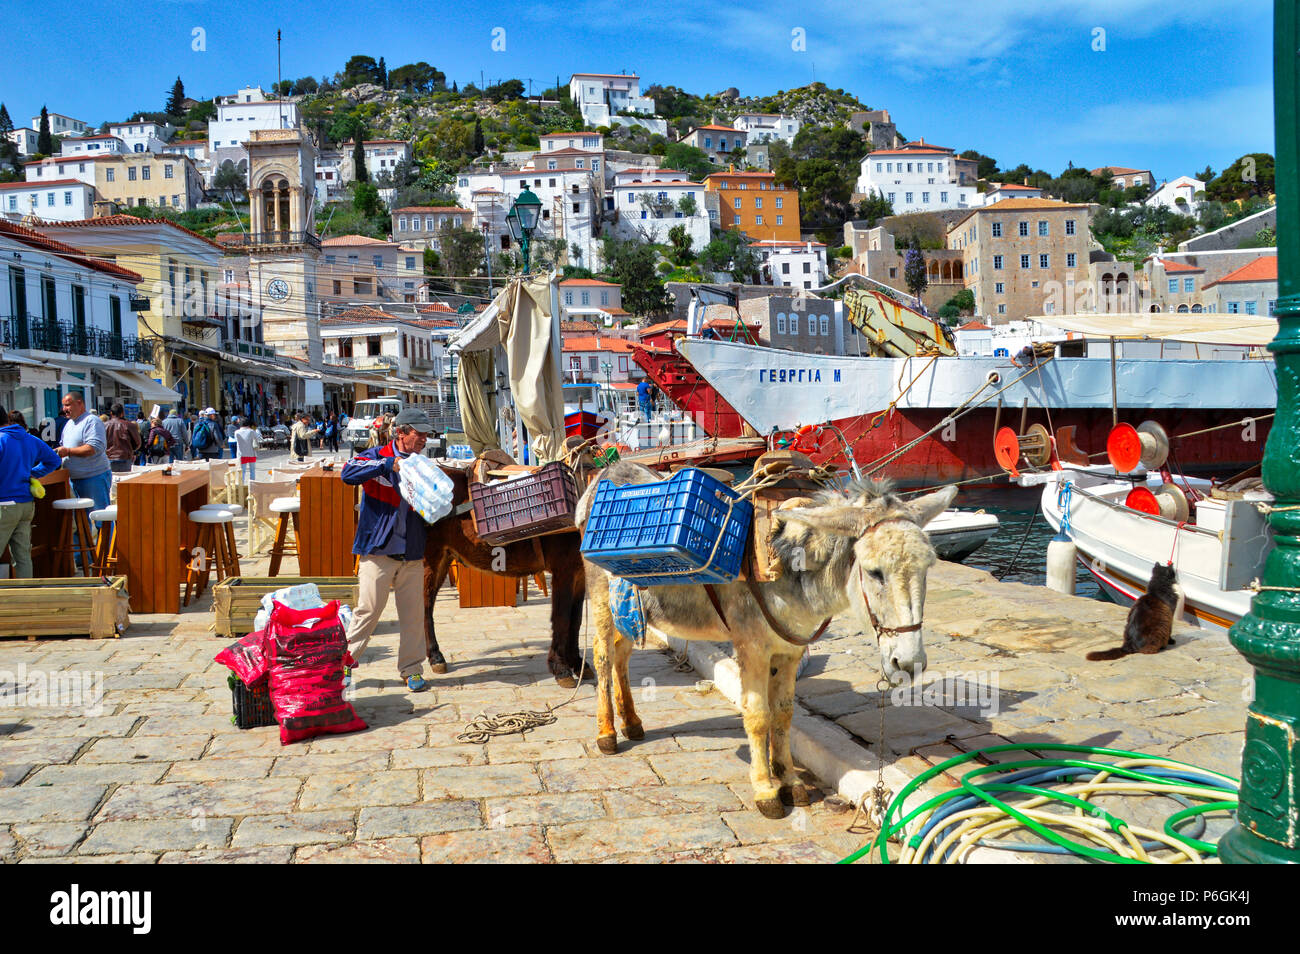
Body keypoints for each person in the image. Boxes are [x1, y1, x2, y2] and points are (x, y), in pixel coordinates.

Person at [341, 408, 437, 693]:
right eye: (419, 434)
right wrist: (386, 465)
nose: (424, 439)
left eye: (426, 434)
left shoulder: (423, 463)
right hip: (378, 549)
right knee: (368, 611)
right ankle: (343, 664)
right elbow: (348, 473)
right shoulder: (374, 455)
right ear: (401, 433)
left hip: (413, 551)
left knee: (413, 615)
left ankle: (411, 669)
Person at [0, 404, 63, 578]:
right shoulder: (28, 438)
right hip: (26, 504)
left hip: (4, 505)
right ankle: (26, 597)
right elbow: (54, 461)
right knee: (22, 557)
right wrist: (31, 473)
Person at [57, 391, 112, 512]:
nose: (64, 409)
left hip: (93, 477)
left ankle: (103, 532)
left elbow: (93, 448)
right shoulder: (69, 424)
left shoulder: (91, 421)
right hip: (74, 479)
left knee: (100, 516)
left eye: (67, 405)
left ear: (79, 403)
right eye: (63, 406)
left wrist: (68, 451)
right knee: (81, 520)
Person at [104, 403, 141, 474]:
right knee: (123, 481)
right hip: (124, 457)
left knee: (111, 482)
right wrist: (130, 449)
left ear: (111, 413)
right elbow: (138, 443)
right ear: (122, 413)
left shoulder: (104, 425)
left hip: (108, 457)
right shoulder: (129, 425)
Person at [233, 417, 261, 482]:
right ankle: (252, 485)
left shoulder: (236, 432)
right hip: (251, 453)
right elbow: (258, 438)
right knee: (252, 471)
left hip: (241, 454)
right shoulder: (251, 431)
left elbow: (236, 440)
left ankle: (241, 486)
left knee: (242, 471)